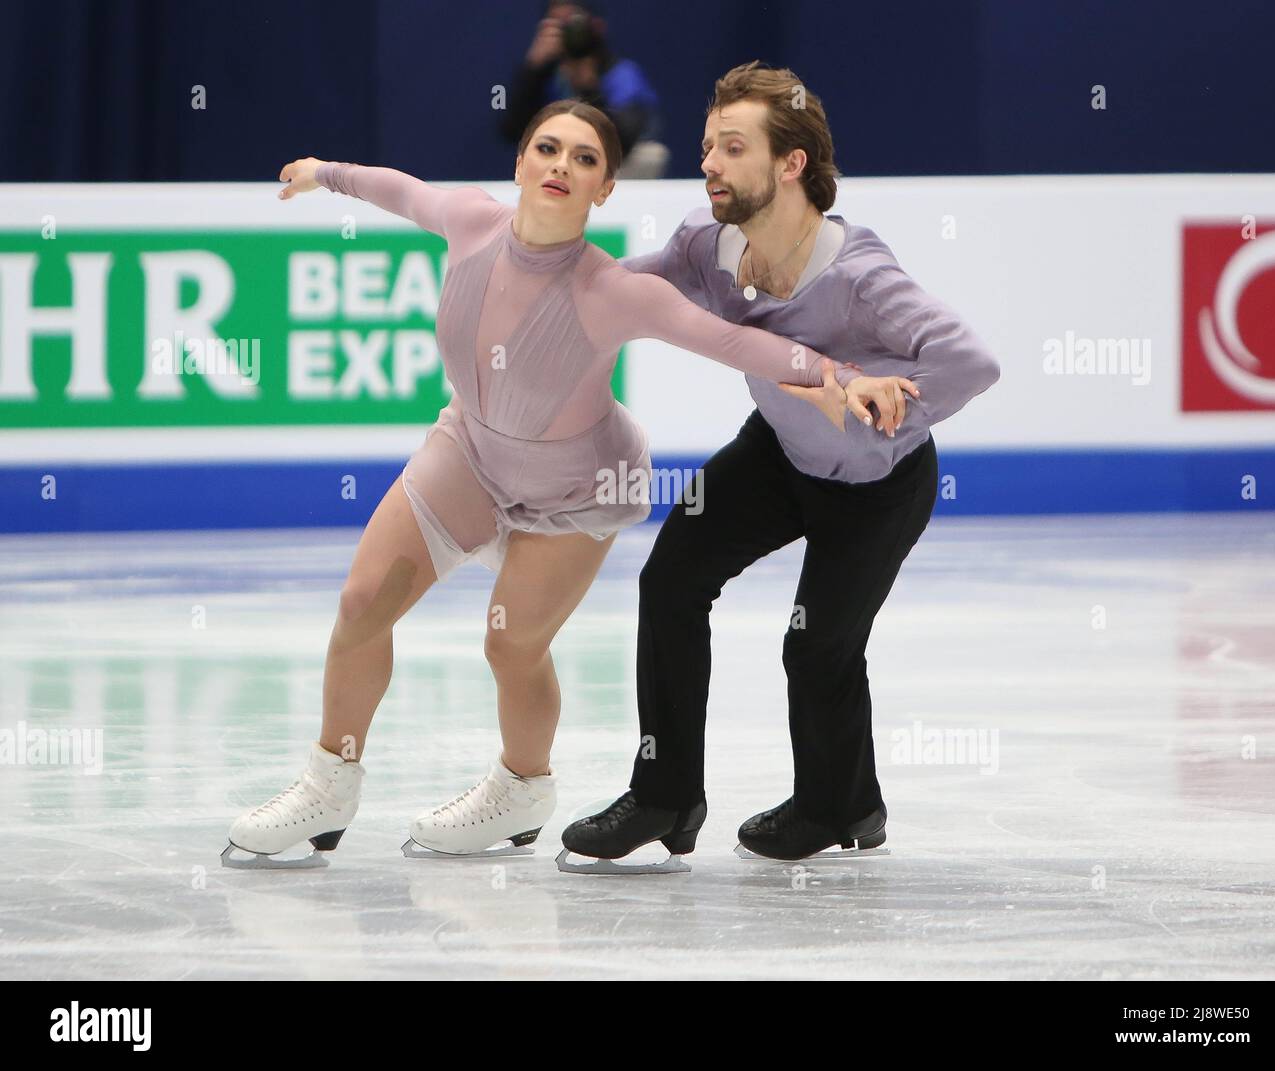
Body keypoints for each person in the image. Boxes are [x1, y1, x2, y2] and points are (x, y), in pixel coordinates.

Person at [221, 98, 865, 869]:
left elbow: (731, 342)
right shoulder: (468, 220)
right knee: (362, 603)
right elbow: (399, 189)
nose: (562, 164)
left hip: (577, 486)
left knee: (508, 642)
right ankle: (329, 785)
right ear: (521, 163)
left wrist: (836, 376)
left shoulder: (615, 290)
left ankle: (522, 788)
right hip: (470, 454)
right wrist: (324, 173)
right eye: (548, 149)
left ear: (605, 190)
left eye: (585, 159)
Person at [560, 62, 1002, 867]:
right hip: (777, 451)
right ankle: (667, 796)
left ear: (791, 163)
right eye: (707, 147)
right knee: (669, 581)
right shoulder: (705, 242)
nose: (710, 164)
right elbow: (624, 291)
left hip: (878, 483)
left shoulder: (861, 279)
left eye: (733, 148)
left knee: (817, 645)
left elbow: (971, 361)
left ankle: (840, 807)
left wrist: (896, 407)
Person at [500, 2, 664, 173]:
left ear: (597, 26)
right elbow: (512, 130)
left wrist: (589, 89)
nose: (567, 33)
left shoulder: (623, 75)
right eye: (558, 24)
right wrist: (532, 71)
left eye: (573, 24)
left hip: (617, 174)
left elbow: (622, 143)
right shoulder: (545, 77)